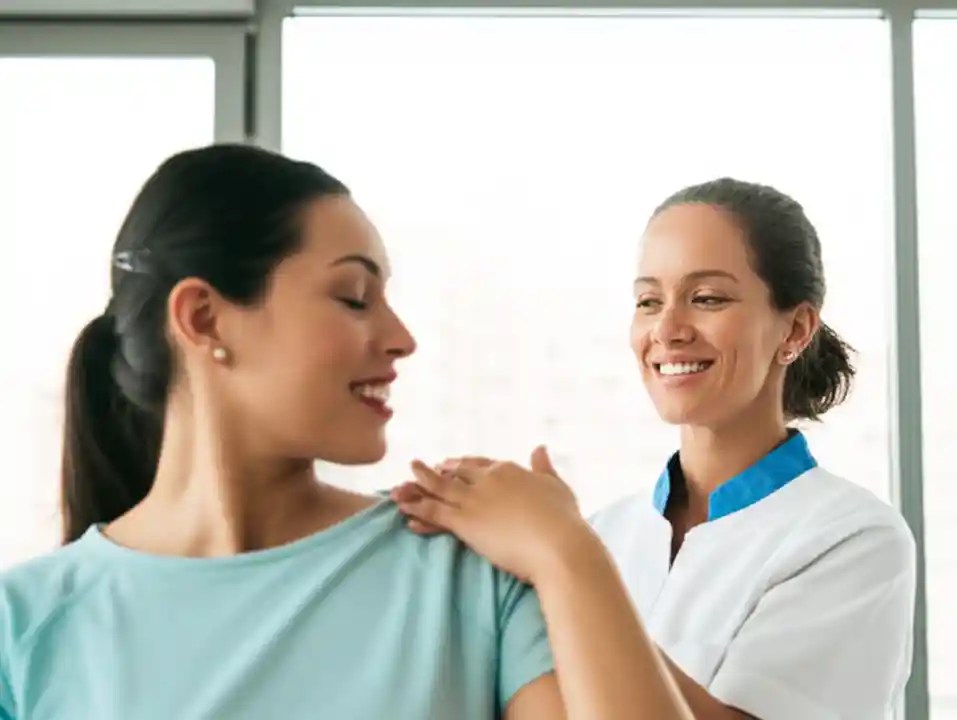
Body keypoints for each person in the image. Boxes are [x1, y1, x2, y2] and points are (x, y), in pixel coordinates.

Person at [0, 144, 692, 720]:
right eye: (354, 298)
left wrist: (570, 555)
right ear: (206, 319)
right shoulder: (22, 626)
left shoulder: (470, 573)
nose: (401, 338)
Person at [394, 178, 916, 719]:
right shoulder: (603, 533)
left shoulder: (853, 538)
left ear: (796, 329)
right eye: (648, 301)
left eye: (707, 298)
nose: (667, 329)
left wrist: (563, 559)